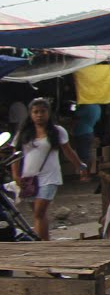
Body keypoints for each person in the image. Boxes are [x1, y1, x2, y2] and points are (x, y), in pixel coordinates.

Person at [9, 97, 81, 240]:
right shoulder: (23, 132)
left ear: (49, 113)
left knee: (39, 212)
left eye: (43, 111)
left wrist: (79, 165)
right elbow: (15, 157)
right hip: (29, 178)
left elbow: (68, 151)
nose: (39, 115)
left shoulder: (57, 131)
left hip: (50, 176)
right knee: (38, 214)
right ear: (30, 114)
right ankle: (44, 241)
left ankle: (40, 245)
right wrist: (16, 176)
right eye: (36, 112)